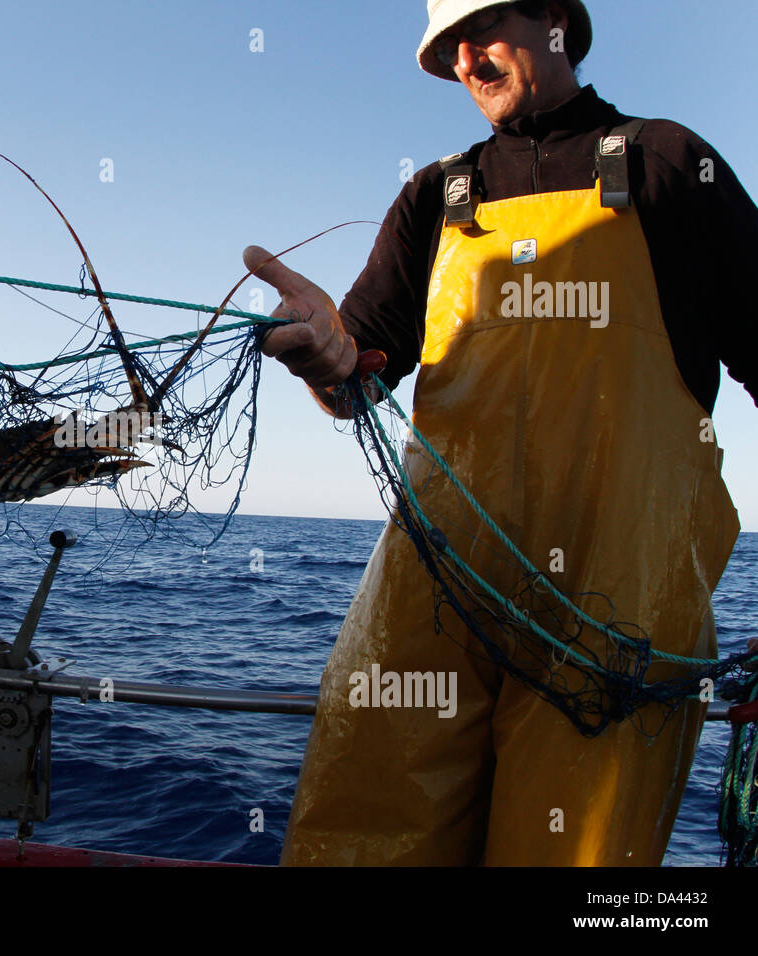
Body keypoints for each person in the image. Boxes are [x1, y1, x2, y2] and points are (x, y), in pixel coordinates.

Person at [248, 0, 758, 865]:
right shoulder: (435, 194)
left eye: (481, 28)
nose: (466, 58)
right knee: (357, 832)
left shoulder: (668, 161)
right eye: (448, 46)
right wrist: (324, 363)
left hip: (616, 607)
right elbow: (357, 384)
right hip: (434, 594)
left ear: (555, 18)